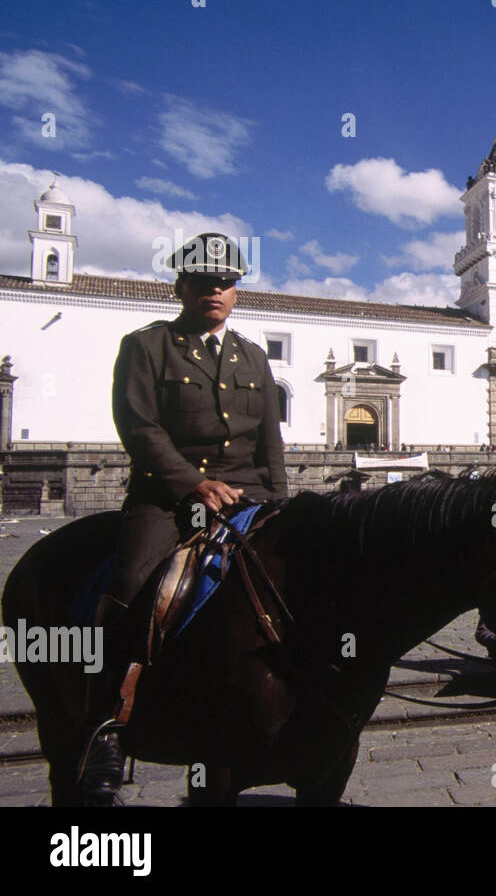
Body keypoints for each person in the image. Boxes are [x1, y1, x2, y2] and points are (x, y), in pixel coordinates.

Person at [82, 232, 287, 801]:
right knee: (132, 583)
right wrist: (193, 483)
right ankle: (106, 722)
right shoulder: (147, 347)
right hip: (169, 495)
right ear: (182, 287)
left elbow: (269, 441)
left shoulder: (252, 356)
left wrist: (281, 502)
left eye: (225, 282)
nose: (214, 290)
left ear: (236, 292)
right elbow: (139, 427)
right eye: (202, 281)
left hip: (248, 495)